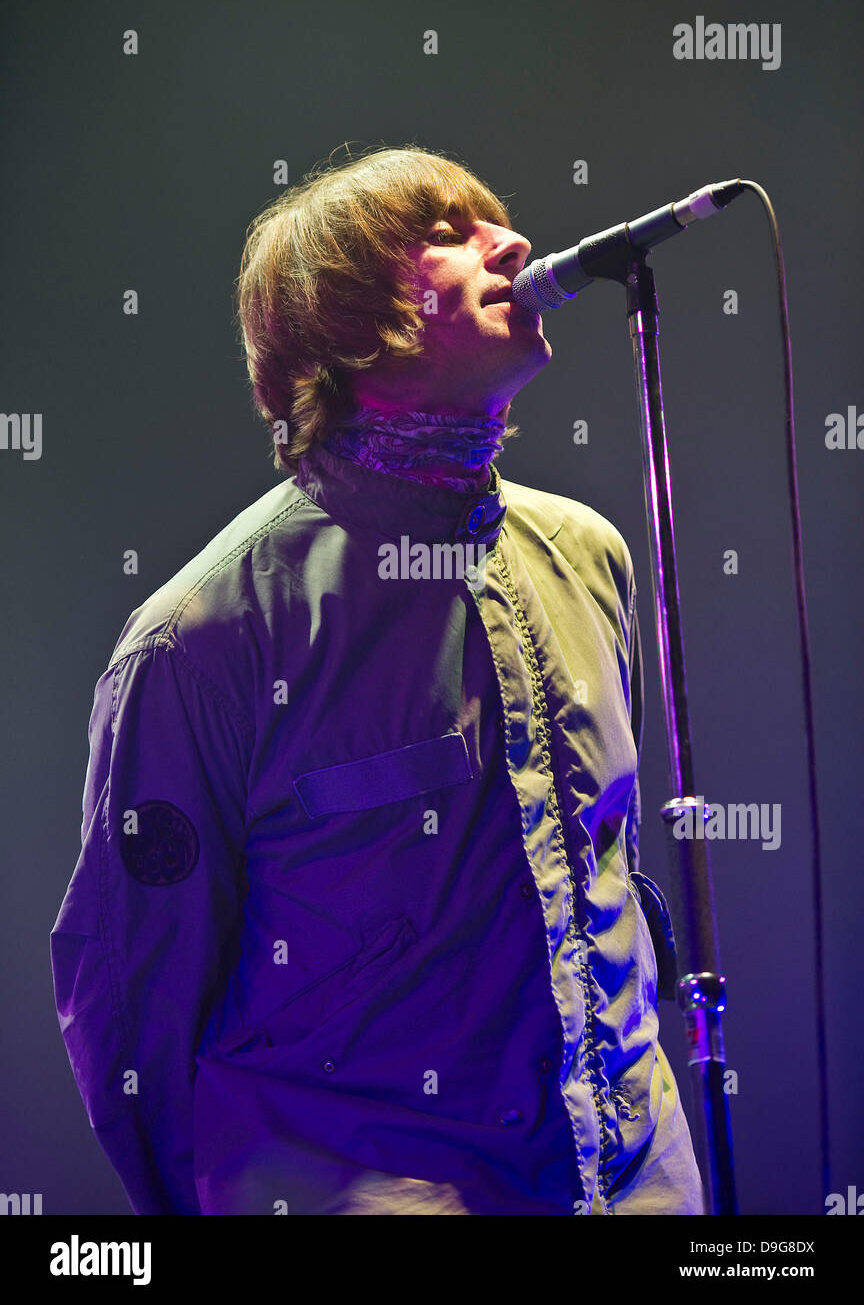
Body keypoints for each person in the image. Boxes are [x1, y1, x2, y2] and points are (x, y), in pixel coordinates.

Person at [50, 144, 705, 1216]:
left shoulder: (588, 552)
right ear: (344, 321)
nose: (515, 244)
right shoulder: (201, 641)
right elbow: (135, 1003)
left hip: (637, 1181)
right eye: (447, 231)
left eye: (495, 217)